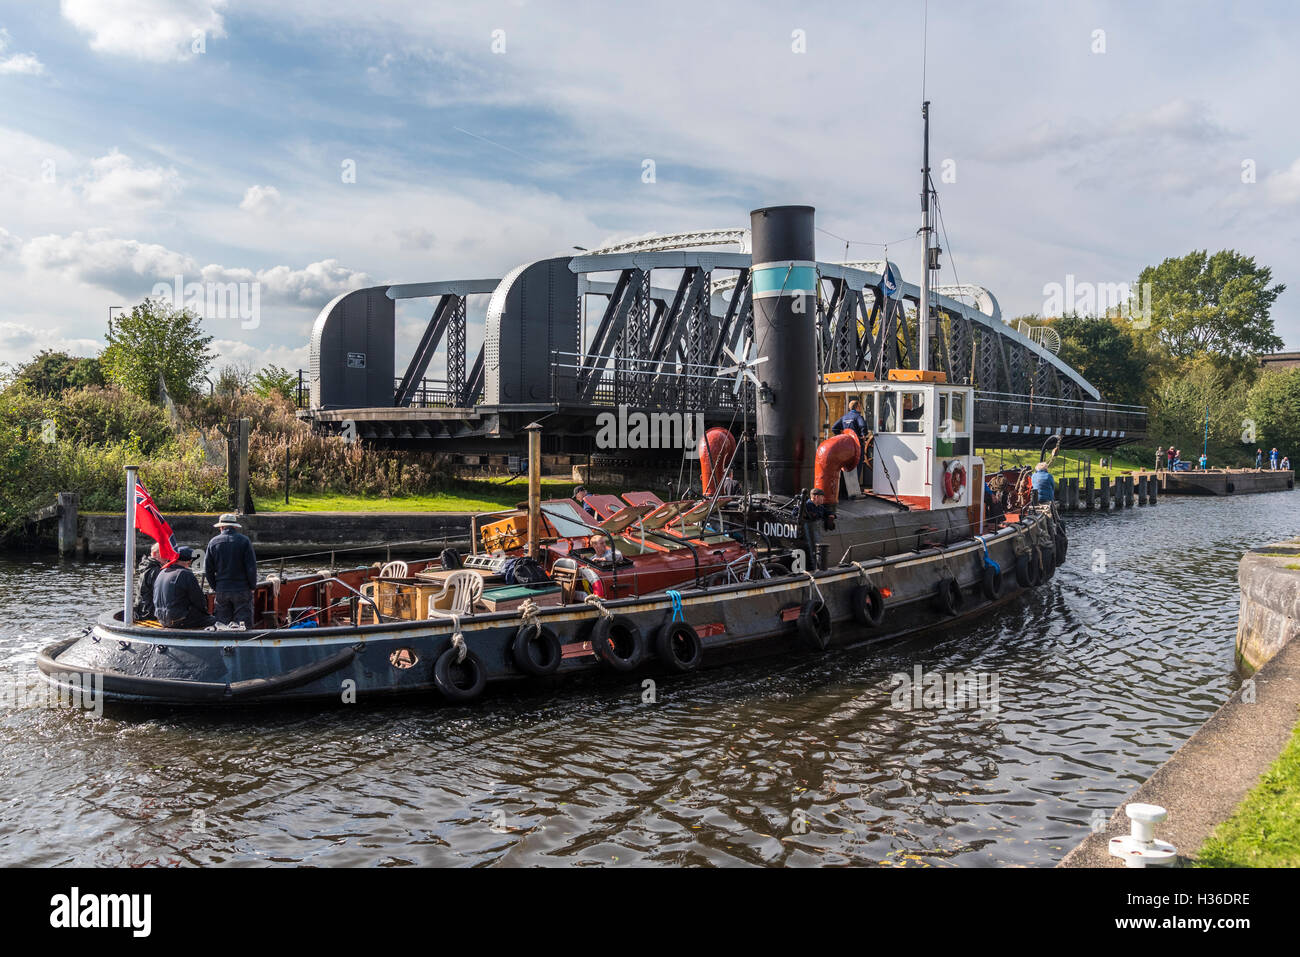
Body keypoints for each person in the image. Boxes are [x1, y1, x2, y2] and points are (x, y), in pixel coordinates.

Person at [206, 513, 258, 627]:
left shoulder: (213, 543)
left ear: (221, 527)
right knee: (243, 624)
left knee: (222, 624)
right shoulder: (244, 541)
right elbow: (251, 567)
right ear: (235, 526)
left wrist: (216, 586)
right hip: (242, 588)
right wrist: (252, 586)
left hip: (222, 589)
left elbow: (208, 570)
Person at [153, 547, 215, 630]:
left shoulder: (162, 572)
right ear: (189, 561)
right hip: (178, 620)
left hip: (161, 619)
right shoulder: (185, 574)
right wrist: (206, 613)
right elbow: (199, 601)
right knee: (216, 620)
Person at [134, 543, 163, 621]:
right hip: (149, 612)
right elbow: (160, 594)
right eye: (164, 553)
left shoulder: (146, 566)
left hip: (141, 609)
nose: (167, 556)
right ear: (154, 554)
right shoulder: (155, 570)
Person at [802, 488, 826, 570]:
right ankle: (815, 566)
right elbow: (795, 513)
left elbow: (826, 512)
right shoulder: (805, 505)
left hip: (815, 531)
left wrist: (831, 516)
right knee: (813, 550)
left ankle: (817, 565)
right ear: (816, 497)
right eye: (822, 497)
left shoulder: (820, 507)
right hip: (809, 532)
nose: (823, 499)